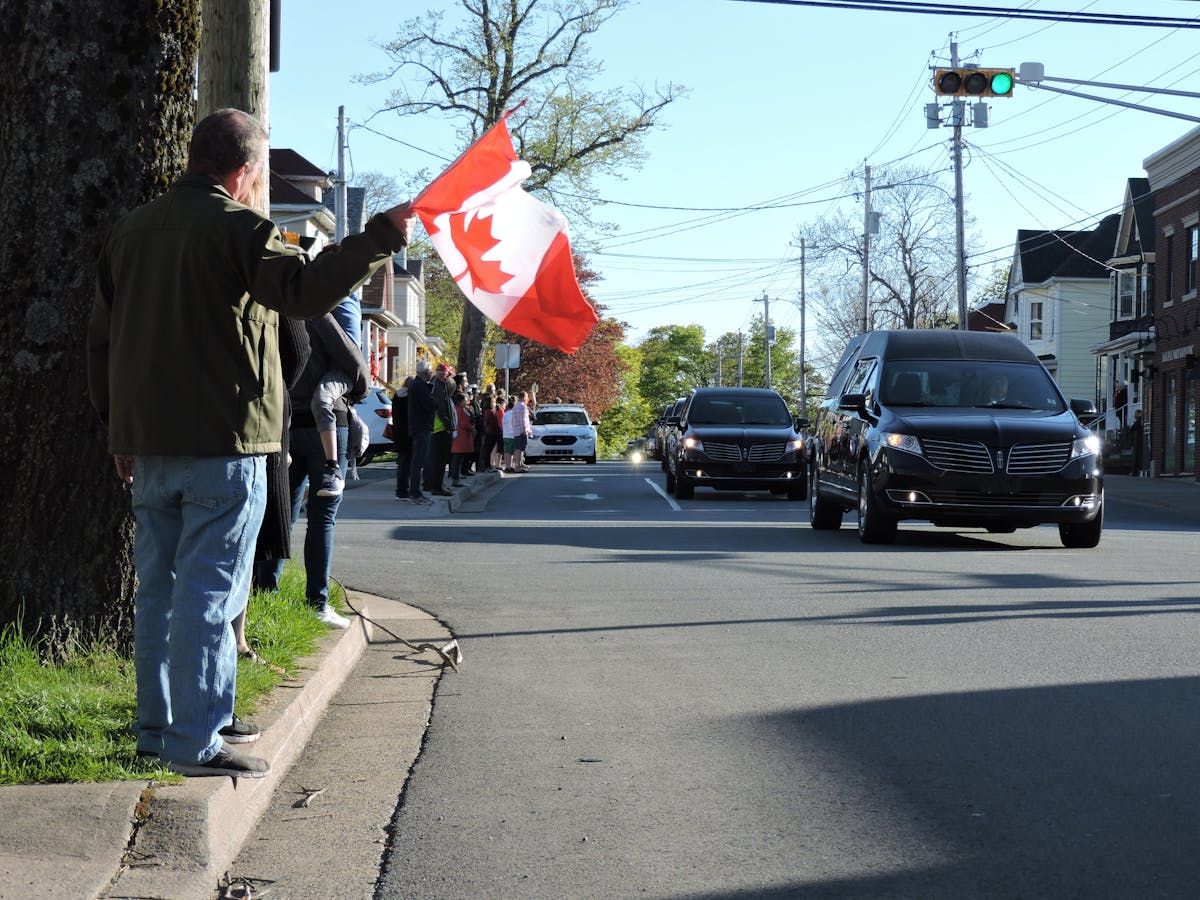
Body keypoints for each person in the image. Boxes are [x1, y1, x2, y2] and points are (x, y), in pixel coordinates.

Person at [87, 108, 414, 778]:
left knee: (160, 590)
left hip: (147, 442)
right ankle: (196, 740)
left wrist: (117, 425)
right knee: (211, 590)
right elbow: (303, 294)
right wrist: (381, 235)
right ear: (245, 171)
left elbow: (103, 339)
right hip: (225, 441)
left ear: (192, 158)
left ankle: (159, 726)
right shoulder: (240, 229)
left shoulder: (130, 231)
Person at [282, 314, 370, 629]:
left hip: (285, 424)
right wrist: (355, 390)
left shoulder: (271, 305)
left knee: (281, 513)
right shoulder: (317, 310)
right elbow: (354, 361)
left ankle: (265, 591)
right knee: (322, 519)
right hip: (328, 425)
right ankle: (316, 602)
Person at [407, 359, 435, 503]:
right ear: (425, 372)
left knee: (419, 461)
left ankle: (416, 492)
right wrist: (434, 399)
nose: (431, 374)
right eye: (430, 371)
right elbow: (429, 405)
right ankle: (415, 493)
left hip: (419, 426)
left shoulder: (417, 385)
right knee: (418, 462)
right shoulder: (419, 386)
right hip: (421, 426)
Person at [426, 363, 456, 496]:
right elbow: (440, 408)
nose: (448, 377)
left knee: (435, 460)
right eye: (447, 374)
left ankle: (433, 484)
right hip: (439, 428)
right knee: (439, 460)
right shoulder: (438, 387)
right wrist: (448, 424)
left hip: (437, 427)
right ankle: (437, 486)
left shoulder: (436, 385)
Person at [449, 391, 476, 486]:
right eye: (465, 400)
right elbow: (463, 423)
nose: (466, 401)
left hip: (463, 437)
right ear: (460, 401)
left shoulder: (462, 409)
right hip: (460, 437)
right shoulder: (459, 410)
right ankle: (455, 479)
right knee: (457, 459)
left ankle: (457, 476)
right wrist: (472, 428)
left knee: (459, 459)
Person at [392, 378, 412, 499]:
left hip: (399, 432)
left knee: (402, 462)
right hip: (408, 433)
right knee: (407, 463)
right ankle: (403, 490)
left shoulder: (397, 396)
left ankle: (401, 489)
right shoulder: (409, 397)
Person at [511, 391, 534, 471]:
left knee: (519, 448)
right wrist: (525, 430)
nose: (527, 399)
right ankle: (518, 466)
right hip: (521, 430)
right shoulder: (523, 407)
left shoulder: (516, 406)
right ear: (524, 397)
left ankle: (520, 464)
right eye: (527, 397)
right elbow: (523, 419)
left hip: (516, 430)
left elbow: (513, 419)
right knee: (519, 449)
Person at [479, 395, 501, 473]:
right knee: (487, 450)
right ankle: (486, 466)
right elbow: (486, 423)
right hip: (490, 433)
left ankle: (489, 465)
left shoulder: (492, 411)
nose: (495, 403)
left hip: (494, 432)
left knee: (490, 450)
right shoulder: (488, 411)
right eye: (494, 402)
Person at [1129, 407, 1145, 476]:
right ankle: (1136, 471)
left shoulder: (1138, 422)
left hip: (1137, 443)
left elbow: (1132, 428)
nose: (1134, 415)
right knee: (1137, 457)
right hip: (1137, 442)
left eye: (1136, 414)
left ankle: (1135, 471)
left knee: (1136, 457)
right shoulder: (1139, 422)